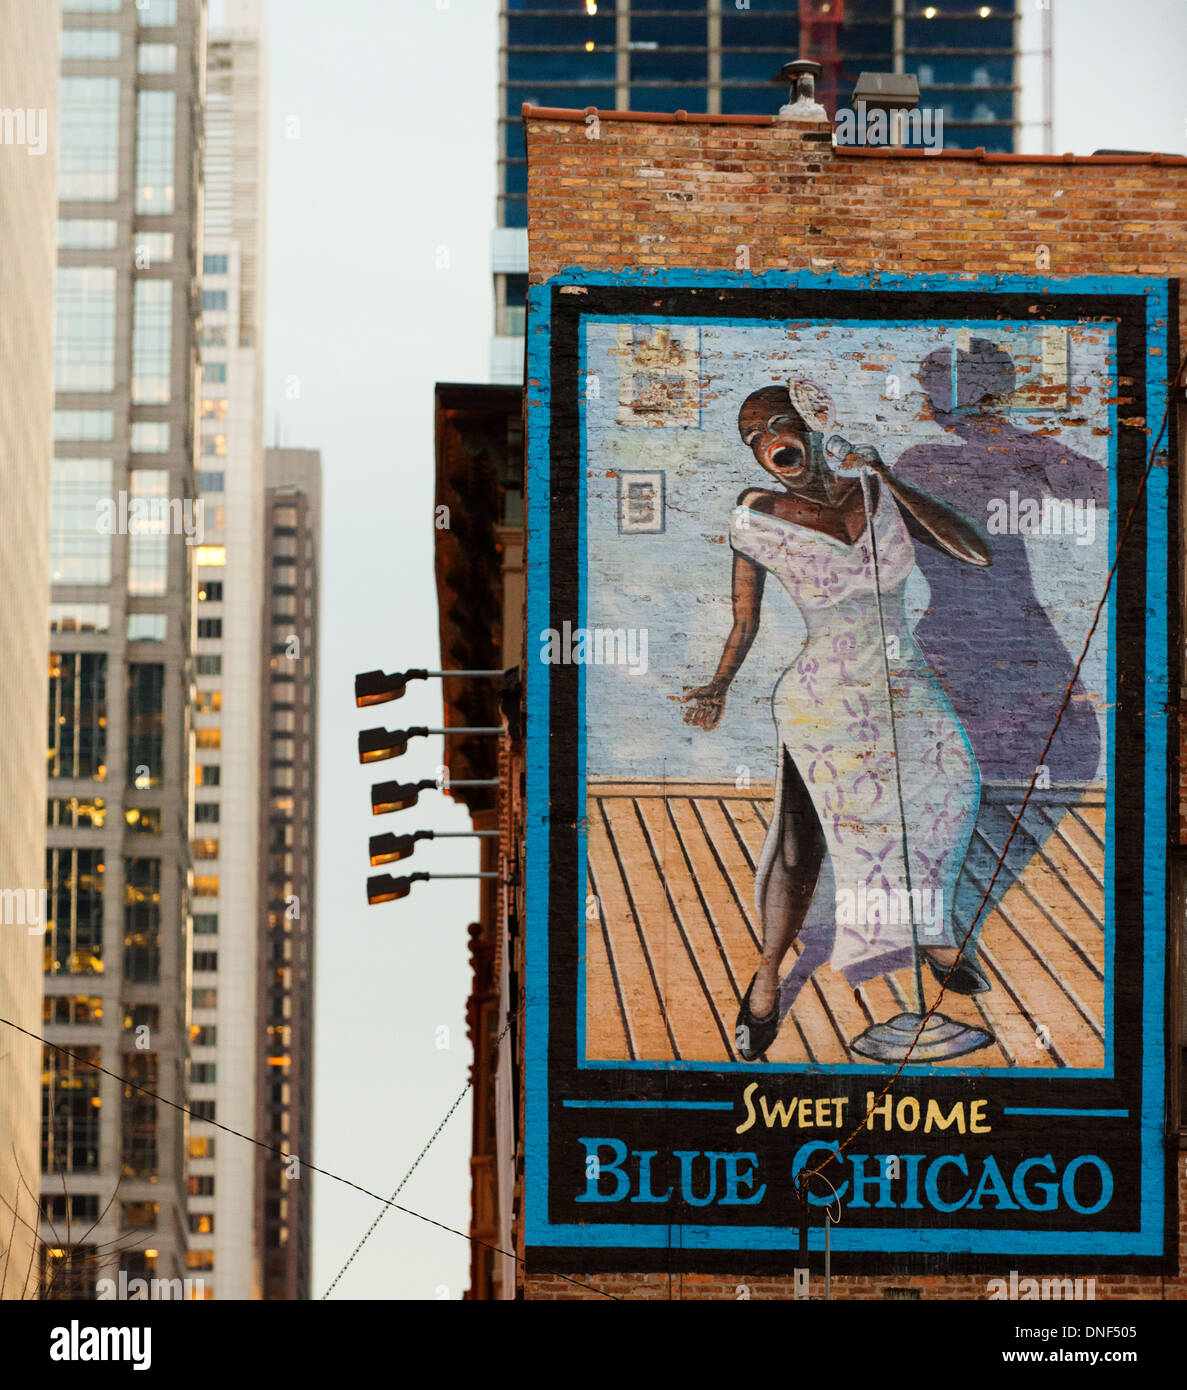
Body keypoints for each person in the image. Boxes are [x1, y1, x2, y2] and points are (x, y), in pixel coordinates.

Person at [681, 379, 992, 1060]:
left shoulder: (877, 493)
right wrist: (718, 685)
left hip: (901, 682)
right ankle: (764, 980)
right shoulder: (755, 512)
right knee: (803, 844)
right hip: (823, 696)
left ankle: (930, 931)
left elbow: (974, 551)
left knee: (946, 794)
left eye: (778, 423)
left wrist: (882, 472)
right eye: (753, 435)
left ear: (814, 425)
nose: (768, 441)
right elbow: (743, 618)